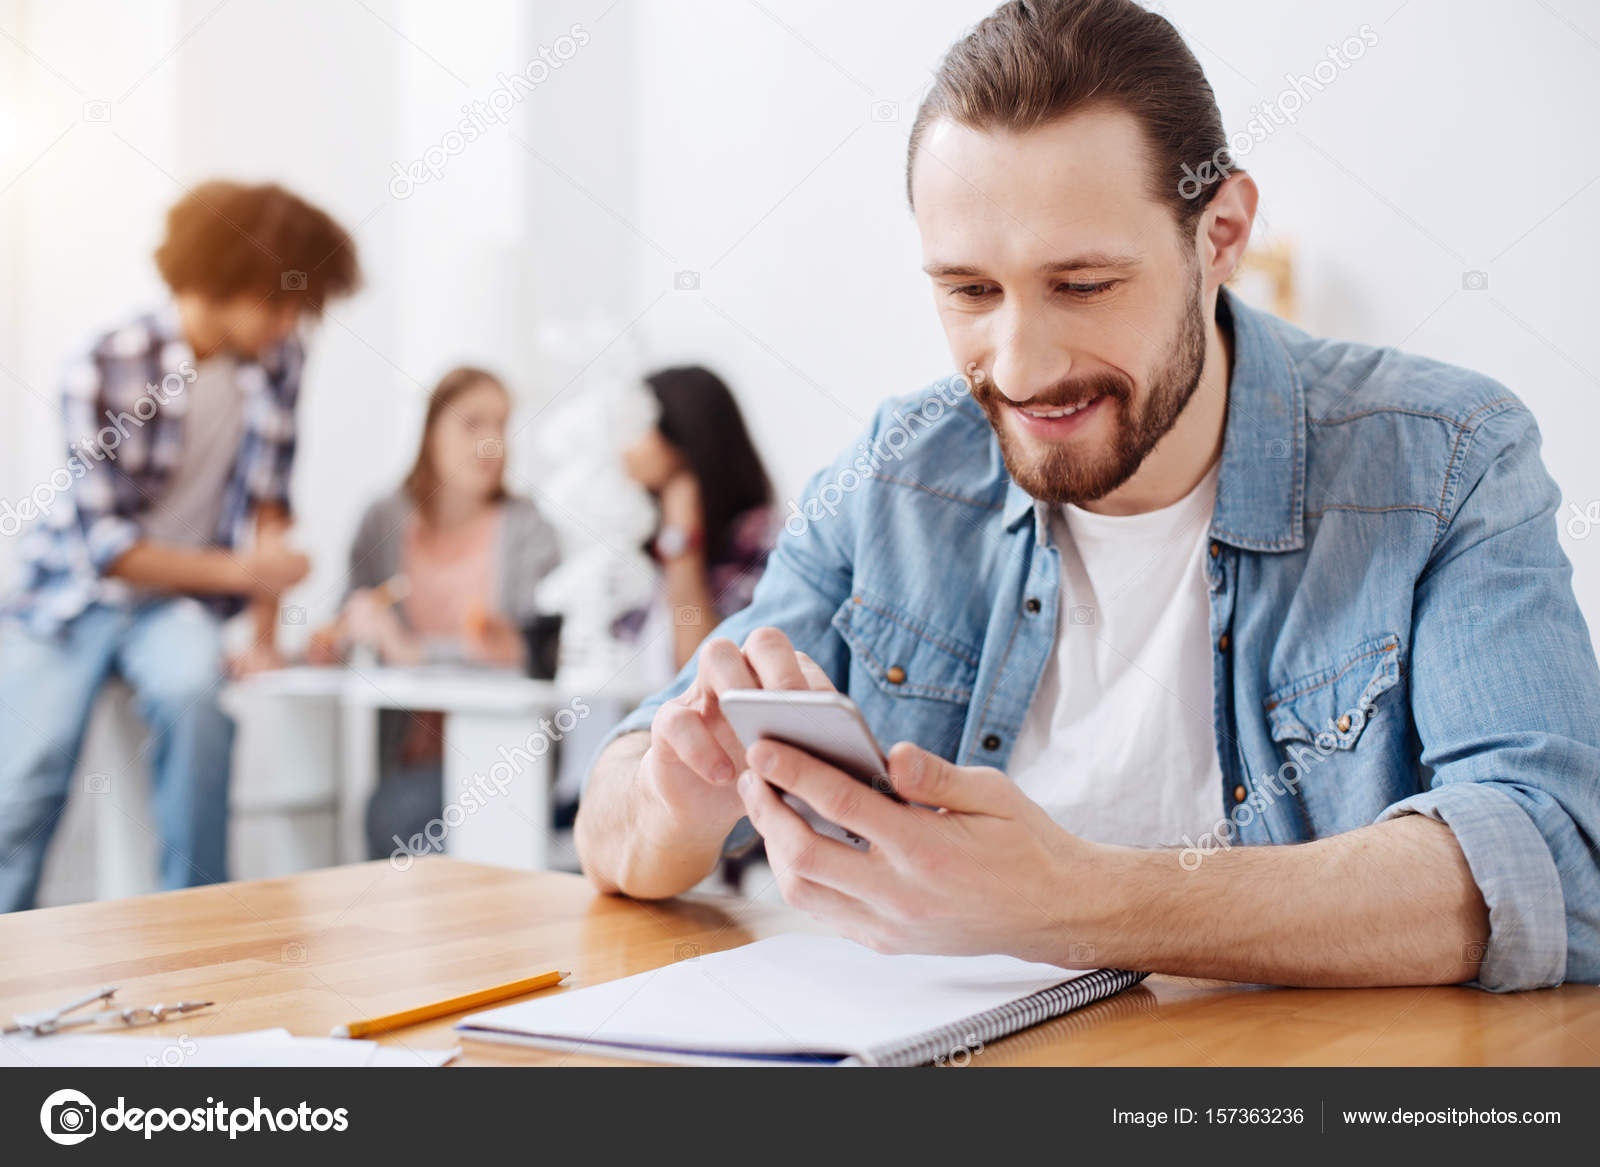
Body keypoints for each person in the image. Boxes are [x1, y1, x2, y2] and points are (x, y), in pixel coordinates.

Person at [576, 0, 1600, 992]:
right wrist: (679, 801)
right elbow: (612, 816)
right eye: (970, 291)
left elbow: (1556, 856)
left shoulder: (1443, 459)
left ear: (1221, 235)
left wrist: (1070, 901)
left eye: (1082, 285)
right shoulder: (893, 476)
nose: (1020, 367)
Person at [0, 180, 360, 911]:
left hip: (174, 607)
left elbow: (270, 499)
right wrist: (247, 572)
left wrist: (265, 635)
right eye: (279, 302)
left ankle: (197, 926)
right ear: (226, 278)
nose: (289, 322)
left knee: (196, 702)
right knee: (29, 772)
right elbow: (108, 549)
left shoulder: (278, 361)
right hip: (68, 599)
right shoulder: (103, 363)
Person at [309, 366, 559, 859]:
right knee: (393, 813)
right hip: (407, 758)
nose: (492, 442)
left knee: (399, 818)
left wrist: (410, 652)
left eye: (501, 425)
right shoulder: (382, 519)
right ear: (430, 432)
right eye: (472, 424)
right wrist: (331, 643)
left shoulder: (529, 528)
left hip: (503, 758)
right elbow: (347, 626)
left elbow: (536, 654)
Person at [621, 366, 777, 670]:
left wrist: (682, 539)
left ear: (680, 435)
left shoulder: (761, 539)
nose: (623, 449)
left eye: (636, 428)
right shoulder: (645, 534)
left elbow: (697, 666)